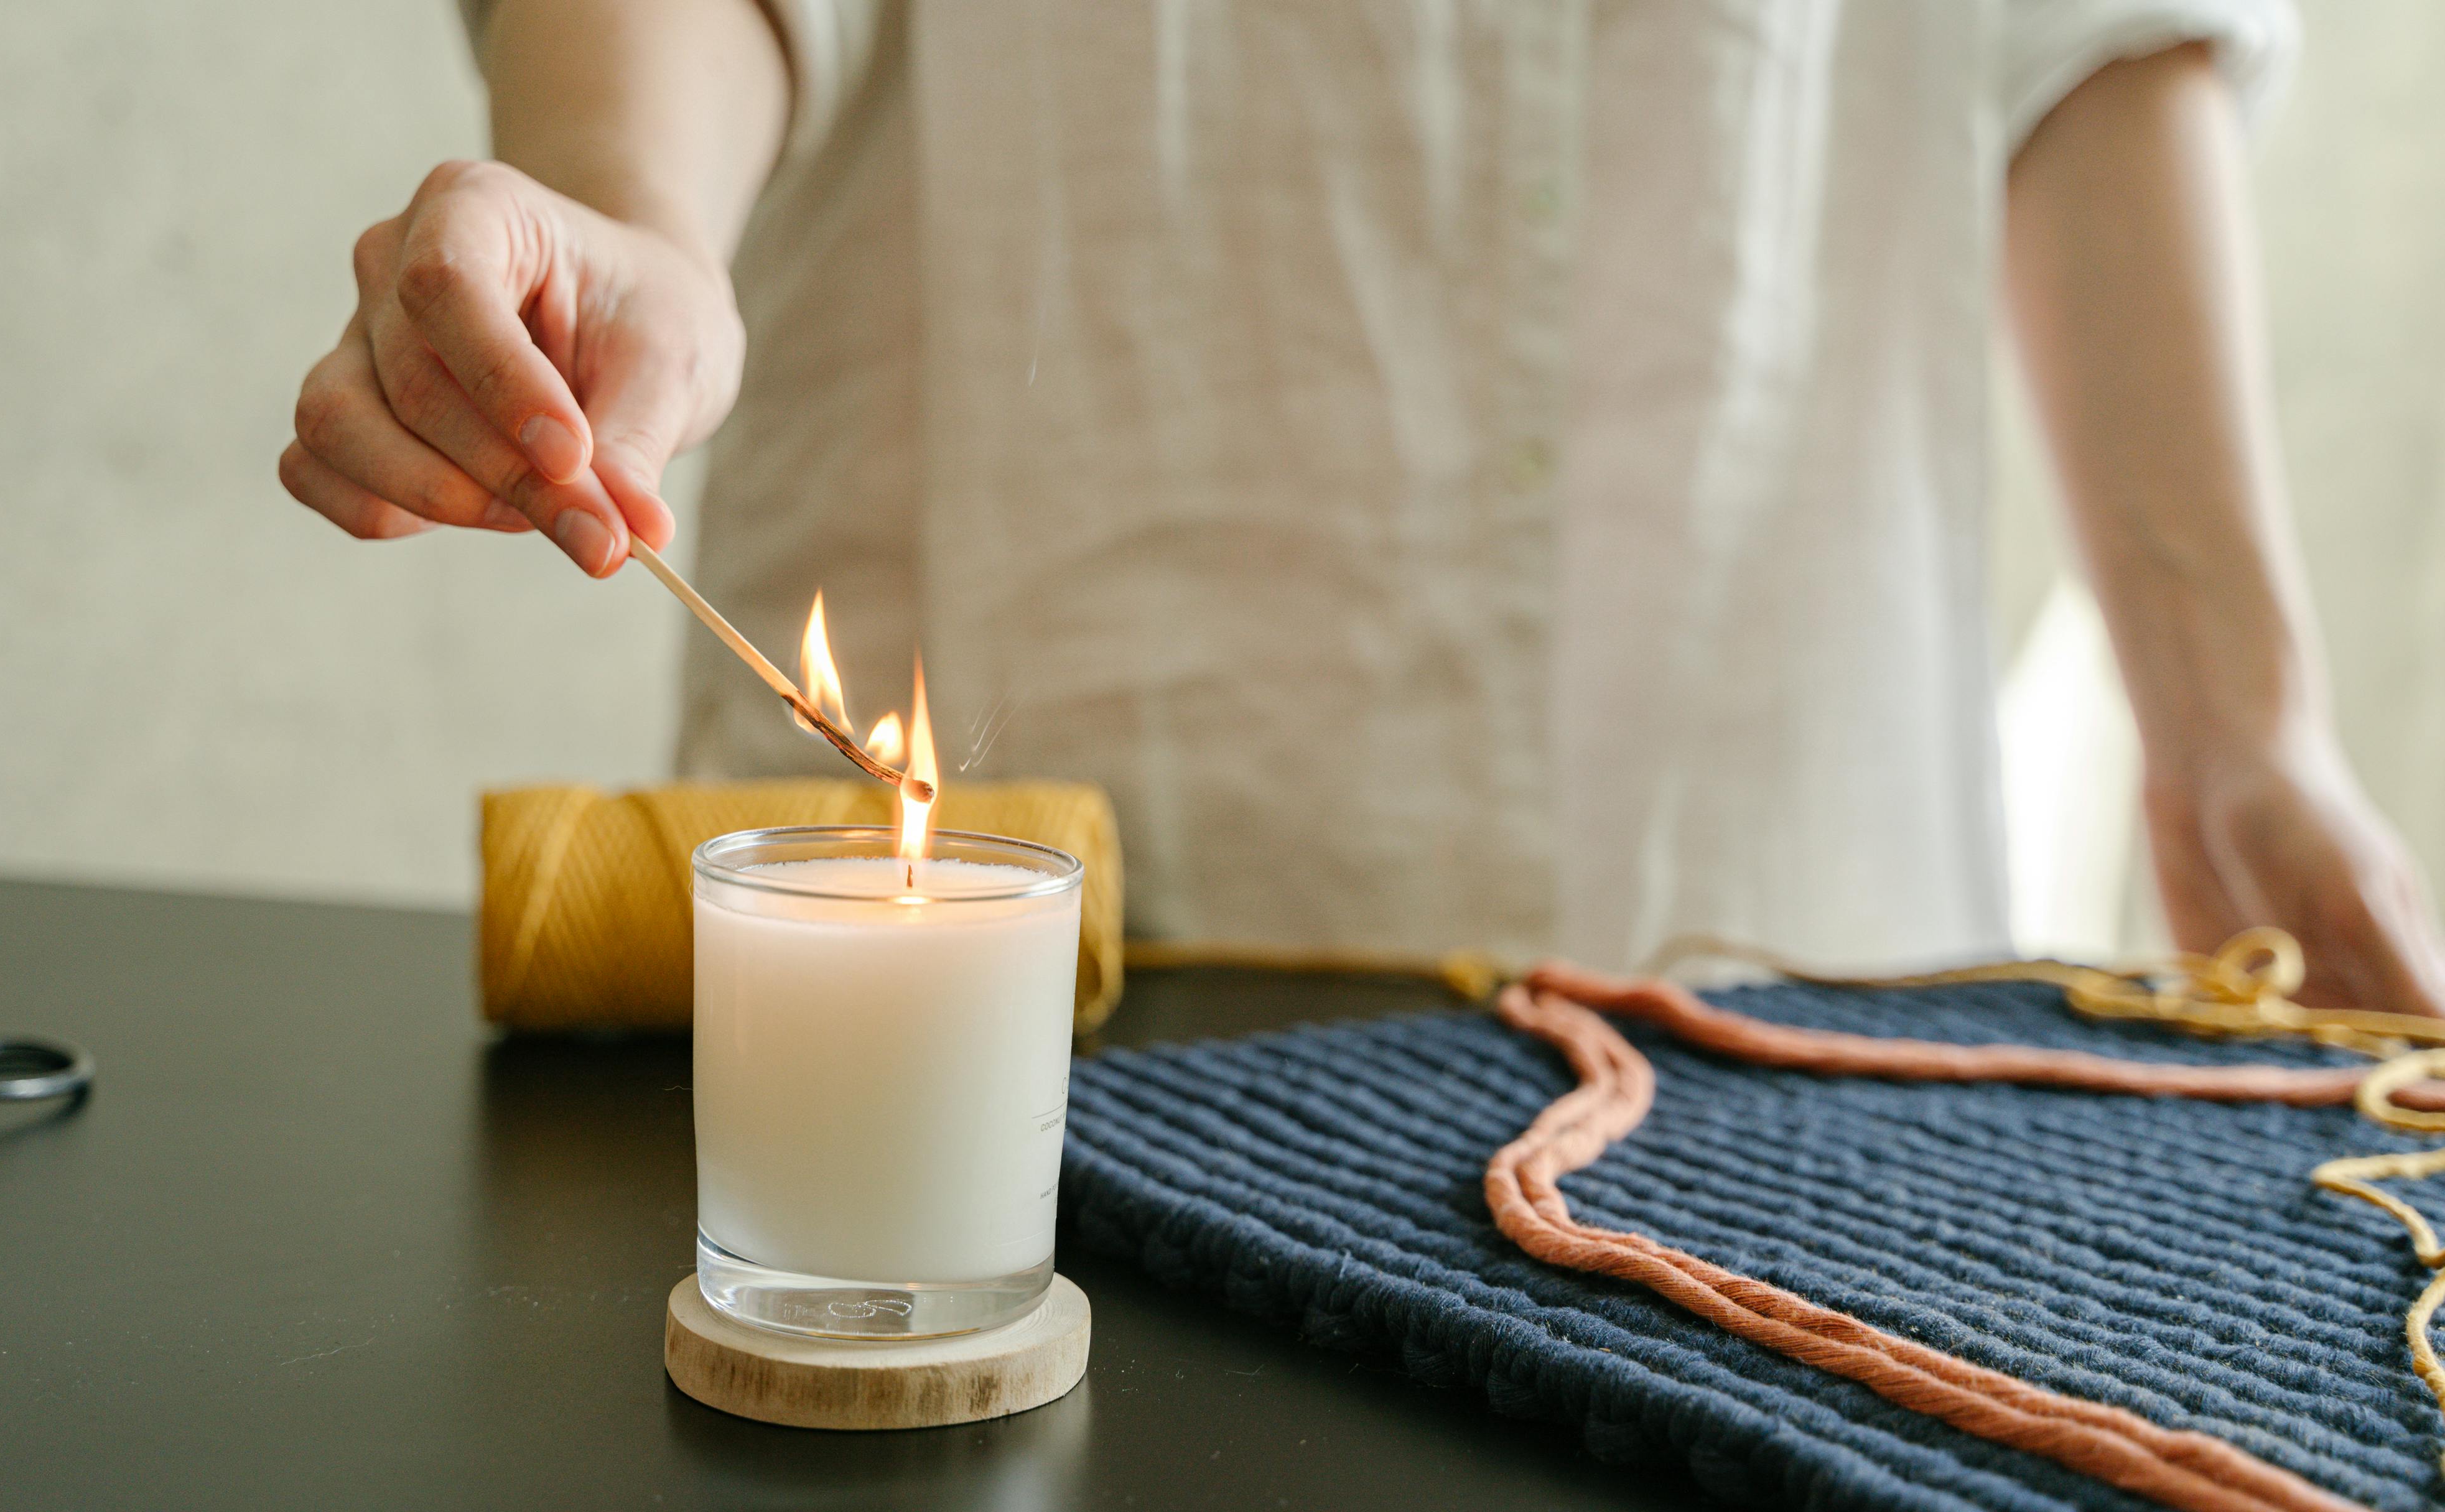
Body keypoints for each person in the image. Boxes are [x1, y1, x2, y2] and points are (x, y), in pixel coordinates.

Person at [281, 0, 2445, 1012]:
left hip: (1753, 913)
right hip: (1027, 968)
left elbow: (2090, 35)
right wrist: (622, 218)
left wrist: (2242, 721)